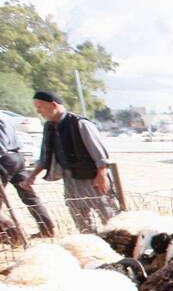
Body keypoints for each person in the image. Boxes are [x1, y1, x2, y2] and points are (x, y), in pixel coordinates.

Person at [24, 90, 121, 232]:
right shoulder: (49, 127)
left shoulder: (79, 123)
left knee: (110, 217)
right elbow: (45, 156)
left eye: (40, 107)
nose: (38, 111)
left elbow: (100, 154)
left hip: (92, 177)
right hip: (70, 178)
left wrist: (101, 176)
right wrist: (32, 176)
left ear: (53, 104)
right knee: (81, 219)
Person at [0, 111, 55, 239]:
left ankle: (12, 235)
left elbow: (1, 146)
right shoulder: (6, 116)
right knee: (28, 195)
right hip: (17, 157)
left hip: (5, 158)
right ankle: (47, 228)